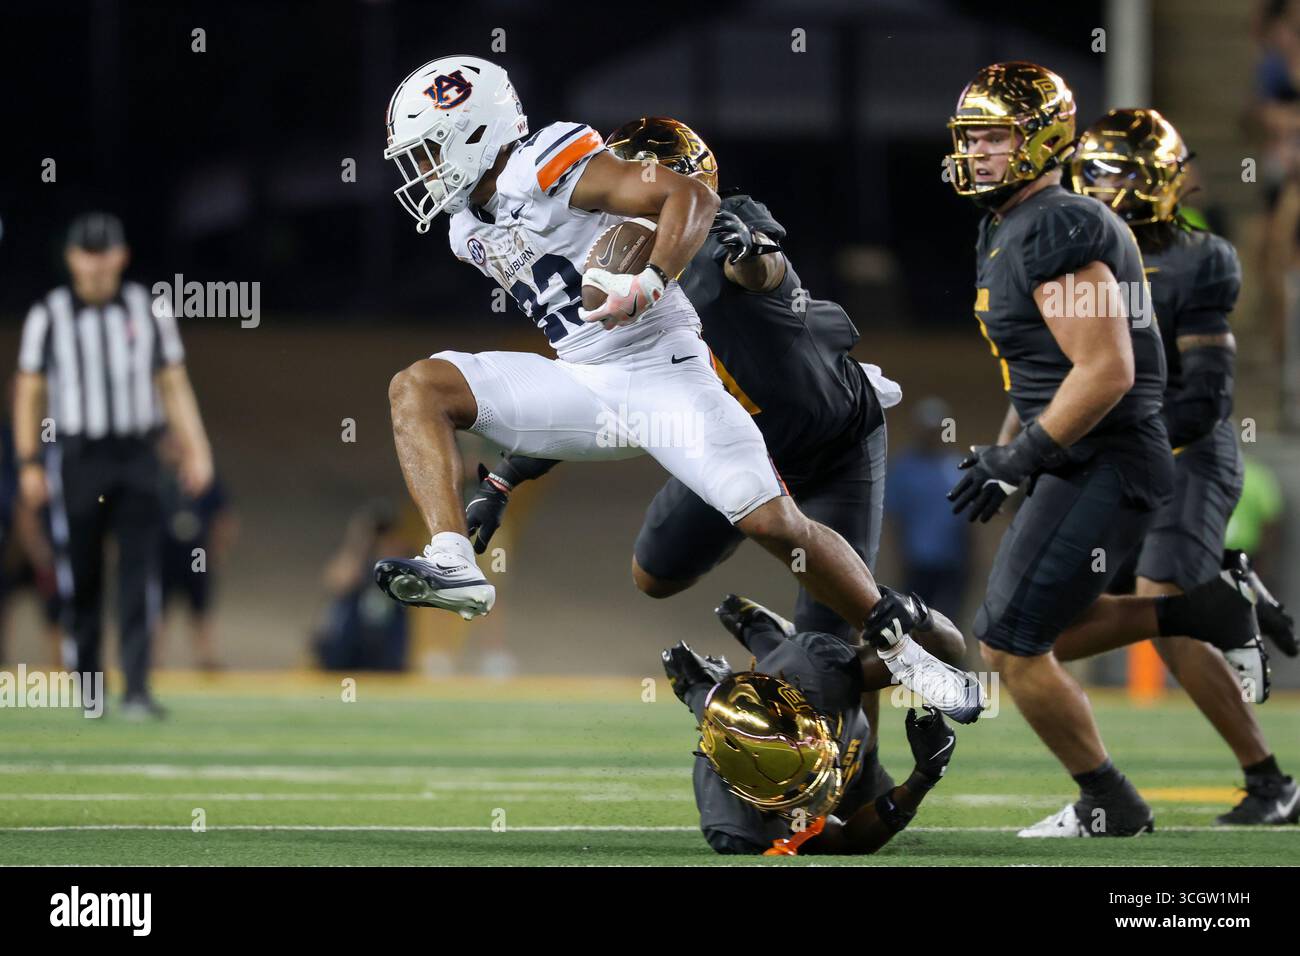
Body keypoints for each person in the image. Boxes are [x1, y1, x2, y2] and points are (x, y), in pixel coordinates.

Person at [369, 56, 979, 720]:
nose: (423, 170)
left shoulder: (544, 161)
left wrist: (652, 278)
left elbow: (691, 198)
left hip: (662, 373)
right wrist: (502, 480)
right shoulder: (467, 228)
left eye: (430, 149)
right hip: (584, 380)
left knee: (772, 521)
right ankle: (454, 561)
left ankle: (904, 652)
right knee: (419, 388)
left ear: (475, 133)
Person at [459, 115, 911, 782]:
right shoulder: (611, 262)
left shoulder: (725, 235)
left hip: (827, 450)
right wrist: (503, 480)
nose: (611, 199)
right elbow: (601, 385)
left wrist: (751, 251)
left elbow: (762, 271)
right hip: (731, 447)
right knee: (654, 573)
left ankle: (871, 725)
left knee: (830, 644)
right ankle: (826, 645)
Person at [944, 63, 1262, 837]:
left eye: (995, 137)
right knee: (1019, 638)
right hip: (1083, 458)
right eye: (972, 137)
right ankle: (1194, 611)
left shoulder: (1058, 225)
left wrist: (1020, 461)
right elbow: (1040, 377)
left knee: (1012, 649)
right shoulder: (1011, 221)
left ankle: (1111, 800)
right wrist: (1010, 448)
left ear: (1041, 140)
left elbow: (1108, 369)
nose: (978, 152)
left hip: (1107, 460)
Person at [1055, 108, 1296, 825]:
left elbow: (1204, 401)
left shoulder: (1199, 257)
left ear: (1158, 178)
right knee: (1037, 629)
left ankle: (1268, 781)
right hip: (1111, 456)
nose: (1101, 188)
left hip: (1187, 456)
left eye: (1119, 173)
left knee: (1164, 605)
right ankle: (1223, 596)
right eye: (1092, 172)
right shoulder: (1069, 256)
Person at [13, 212, 213, 718]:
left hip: (137, 453)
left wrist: (197, 449)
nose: (97, 263)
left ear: (121, 256)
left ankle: (138, 689)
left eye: (105, 253)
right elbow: (29, 391)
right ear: (72, 258)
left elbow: (172, 383)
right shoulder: (50, 315)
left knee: (140, 572)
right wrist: (29, 461)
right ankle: (90, 691)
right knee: (81, 573)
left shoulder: (149, 310)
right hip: (78, 456)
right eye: (87, 252)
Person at [660, 593, 961, 856]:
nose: (812, 796)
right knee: (871, 798)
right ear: (760, 802)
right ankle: (707, 680)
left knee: (833, 652)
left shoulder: (818, 672)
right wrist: (925, 775)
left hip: (810, 685)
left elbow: (939, 654)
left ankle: (763, 640)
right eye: (796, 790)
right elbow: (845, 841)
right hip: (830, 748)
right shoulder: (739, 831)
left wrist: (916, 612)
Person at [885, 396, 972, 616]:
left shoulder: (957, 467)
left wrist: (971, 560)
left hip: (953, 562)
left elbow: (967, 521)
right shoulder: (905, 469)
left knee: (950, 620)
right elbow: (897, 517)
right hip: (918, 561)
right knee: (916, 621)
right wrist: (901, 556)